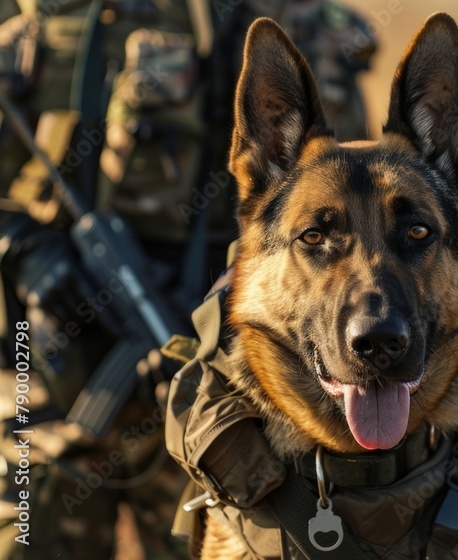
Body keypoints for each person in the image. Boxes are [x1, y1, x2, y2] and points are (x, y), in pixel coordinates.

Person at [0, 0, 376, 557]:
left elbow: (357, 202)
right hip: (58, 359)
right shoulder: (59, 20)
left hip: (218, 385)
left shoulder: (306, 27)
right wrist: (24, 247)